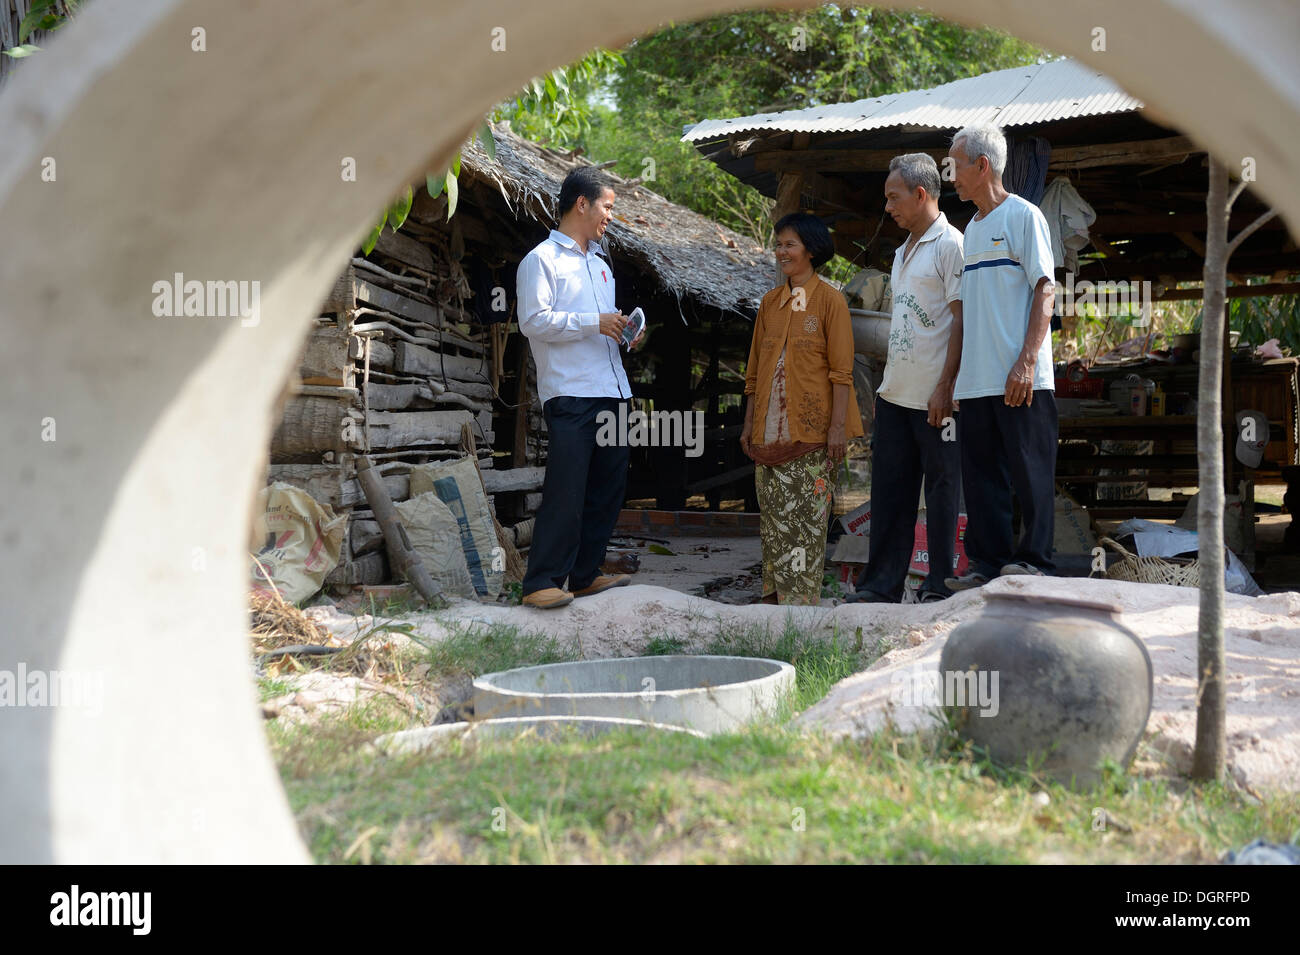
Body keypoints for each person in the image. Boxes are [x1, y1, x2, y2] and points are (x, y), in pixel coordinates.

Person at [516, 166, 641, 609]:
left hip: (613, 390)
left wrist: (622, 330)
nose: (611, 216)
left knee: (607, 489)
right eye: (608, 206)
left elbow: (599, 328)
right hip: (570, 394)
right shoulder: (540, 260)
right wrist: (595, 322)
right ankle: (539, 583)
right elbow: (532, 321)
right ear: (582, 204)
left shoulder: (601, 265)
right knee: (567, 488)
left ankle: (585, 575)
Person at [945, 122, 1058, 590]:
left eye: (954, 165)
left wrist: (1027, 361)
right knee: (982, 477)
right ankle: (986, 565)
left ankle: (1035, 560)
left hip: (1022, 376)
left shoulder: (1024, 216)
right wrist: (954, 378)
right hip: (977, 380)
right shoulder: (970, 228)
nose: (950, 175)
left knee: (1031, 472)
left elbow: (1046, 288)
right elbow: (970, 308)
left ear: (982, 165)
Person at [849, 153, 964, 604]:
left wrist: (946, 386)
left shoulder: (951, 245)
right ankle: (880, 587)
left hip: (938, 398)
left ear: (920, 194)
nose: (888, 207)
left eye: (894, 197)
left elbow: (961, 320)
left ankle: (939, 587)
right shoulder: (902, 251)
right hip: (895, 395)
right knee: (890, 493)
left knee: (941, 493)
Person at [740, 212, 863, 605]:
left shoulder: (830, 301)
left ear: (810, 250)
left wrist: (837, 430)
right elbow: (755, 374)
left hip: (811, 437)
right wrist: (747, 427)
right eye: (778, 245)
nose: (781, 252)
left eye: (789, 244)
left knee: (806, 526)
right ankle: (774, 601)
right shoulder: (770, 303)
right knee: (773, 523)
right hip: (765, 435)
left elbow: (842, 374)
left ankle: (800, 608)